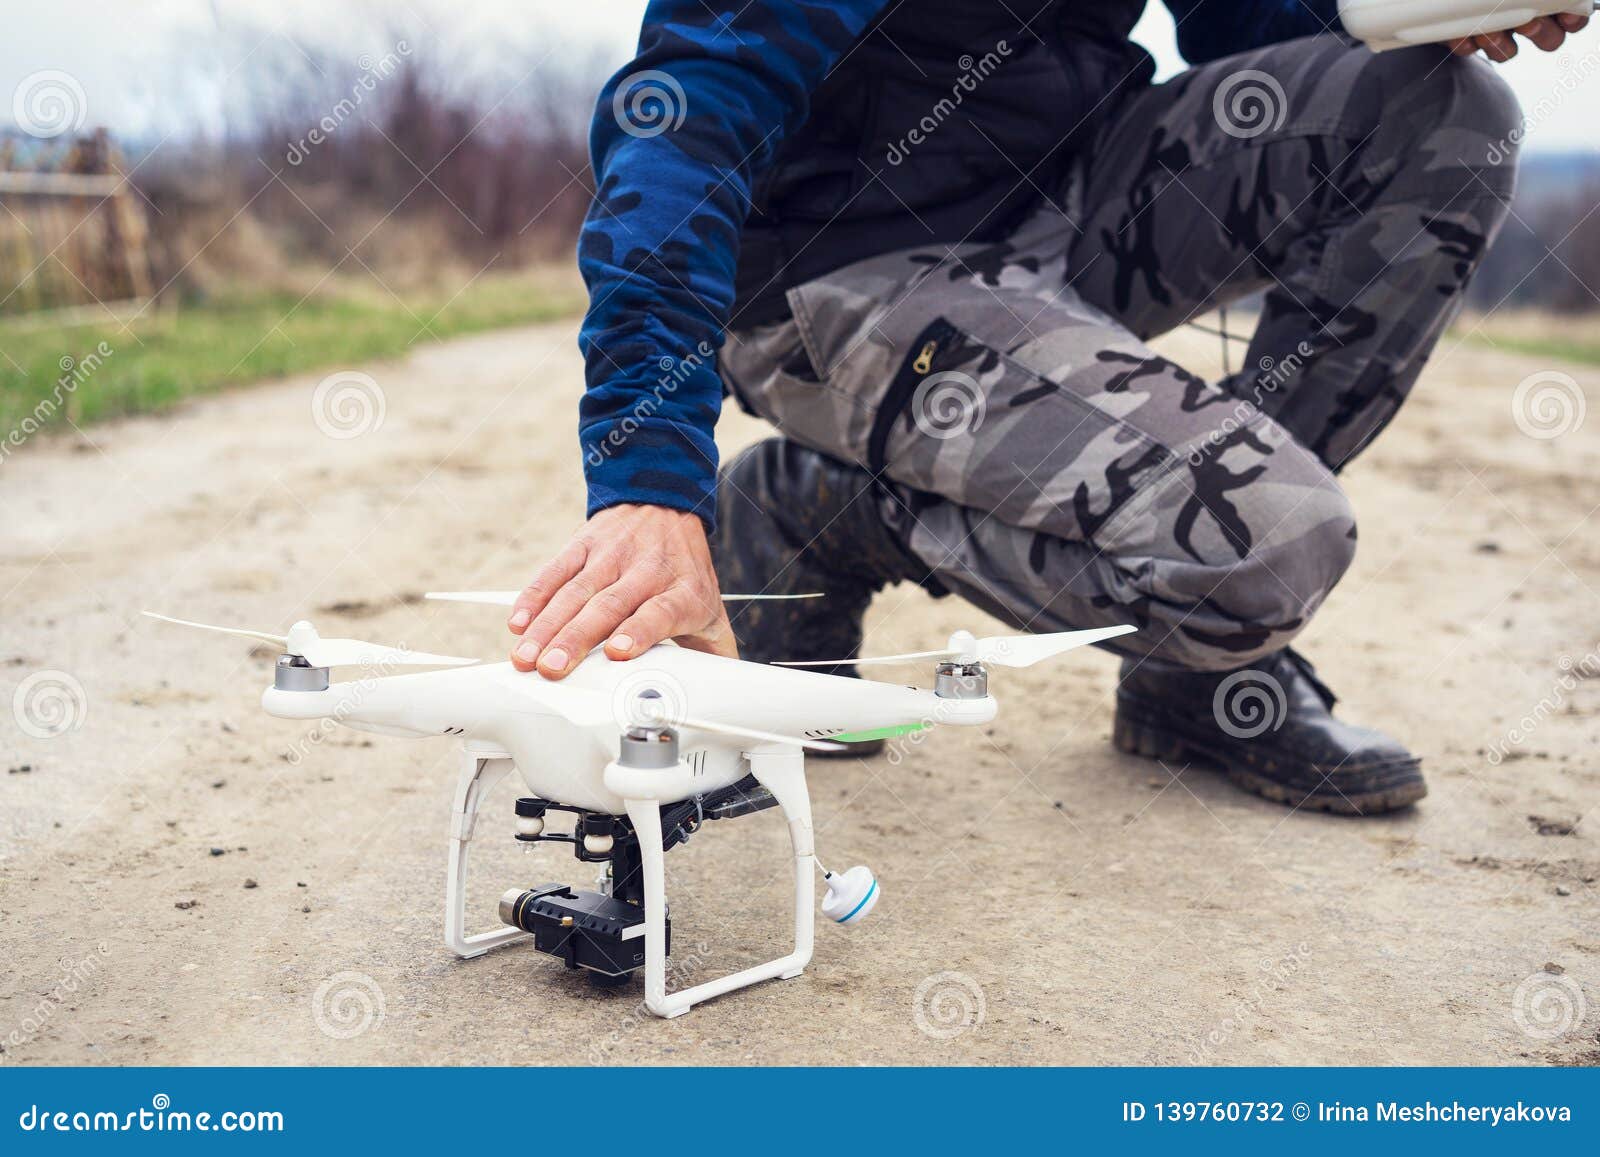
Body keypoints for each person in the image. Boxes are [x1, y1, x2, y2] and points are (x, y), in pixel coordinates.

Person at [506, 2, 1589, 815]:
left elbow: (1235, 18)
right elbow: (685, 110)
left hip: (1061, 204)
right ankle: (826, 510)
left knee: (1444, 112)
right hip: (839, 268)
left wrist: (1426, 7)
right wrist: (647, 473)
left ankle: (1196, 657)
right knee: (1273, 545)